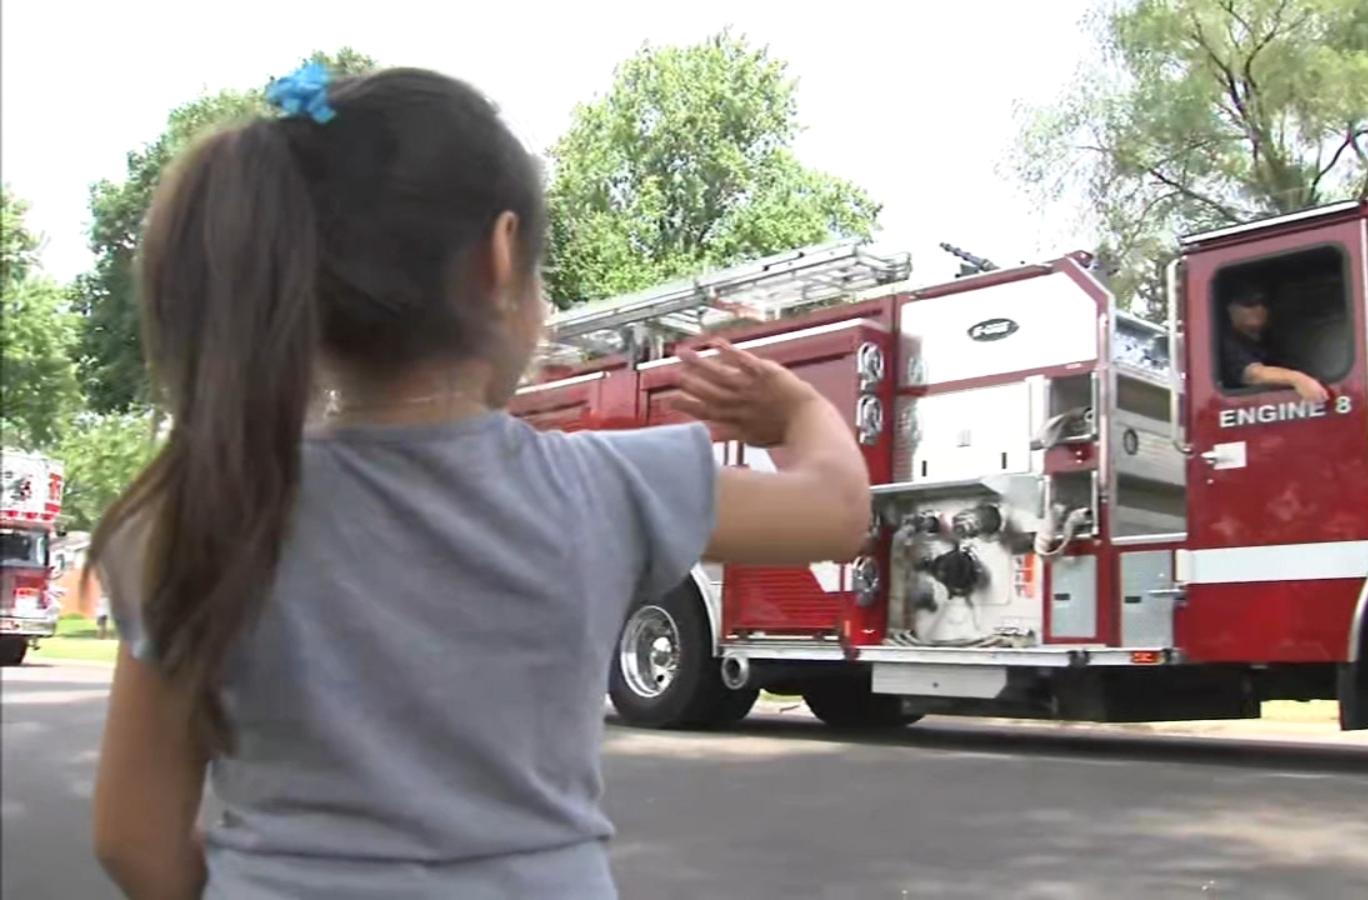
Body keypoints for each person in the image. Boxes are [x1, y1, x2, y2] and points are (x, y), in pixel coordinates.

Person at [88, 62, 870, 900]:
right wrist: (794, 412)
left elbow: (132, 837)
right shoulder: (604, 487)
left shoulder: (197, 512)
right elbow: (837, 510)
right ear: (501, 260)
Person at [1218, 286, 1329, 402]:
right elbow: (1253, 375)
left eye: (1264, 303)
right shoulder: (1228, 343)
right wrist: (1299, 379)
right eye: (1249, 303)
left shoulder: (1271, 341)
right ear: (1230, 309)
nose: (1259, 308)